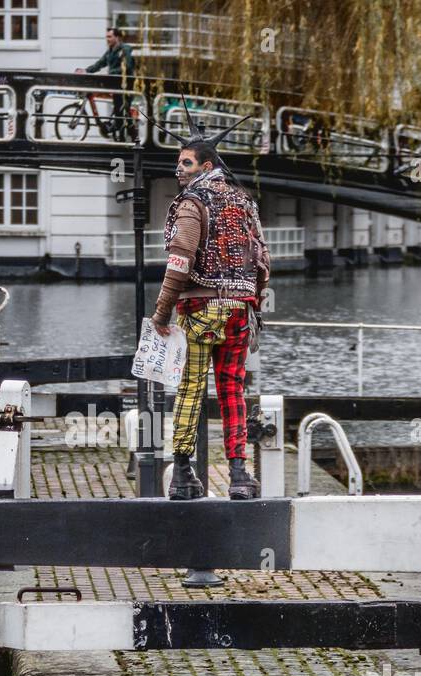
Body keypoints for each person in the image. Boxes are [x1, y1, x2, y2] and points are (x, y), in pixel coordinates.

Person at [151, 110, 270, 500]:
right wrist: (256, 303)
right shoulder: (243, 201)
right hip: (239, 309)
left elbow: (180, 259)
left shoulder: (191, 202)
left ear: (206, 165)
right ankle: (239, 475)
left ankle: (183, 475)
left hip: (198, 310)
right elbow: (262, 259)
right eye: (178, 162)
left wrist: (161, 312)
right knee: (232, 389)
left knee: (189, 390)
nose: (179, 169)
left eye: (185, 163)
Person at [79, 26, 136, 141]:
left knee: (124, 113)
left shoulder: (124, 50)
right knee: (120, 113)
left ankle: (133, 139)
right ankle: (124, 139)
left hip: (125, 86)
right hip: (115, 85)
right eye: (107, 37)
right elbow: (100, 64)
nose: (107, 39)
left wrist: (111, 73)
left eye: (110, 37)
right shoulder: (110, 51)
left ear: (117, 37)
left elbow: (128, 67)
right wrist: (86, 70)